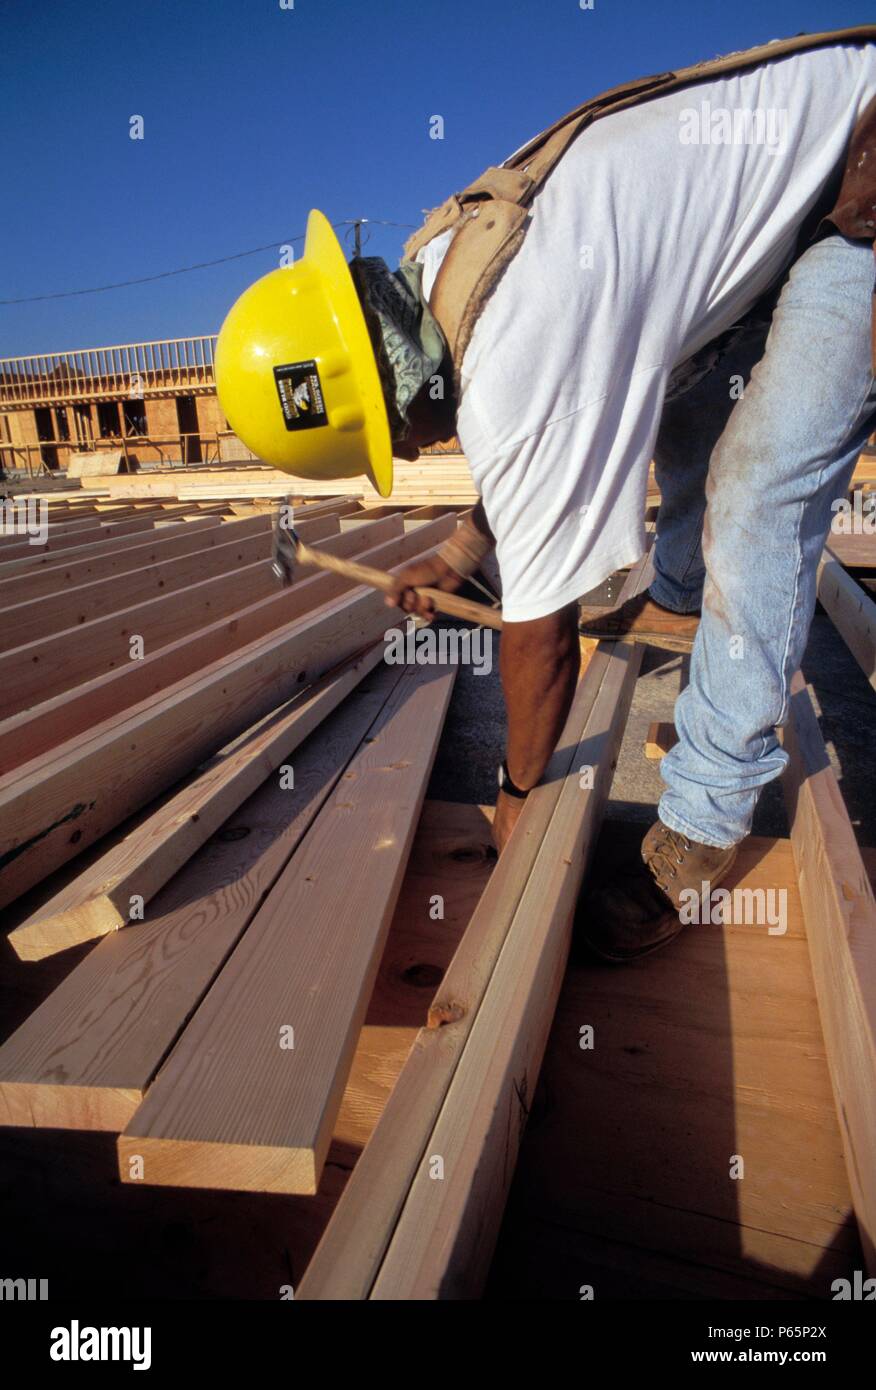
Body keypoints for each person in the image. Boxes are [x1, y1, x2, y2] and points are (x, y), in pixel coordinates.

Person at [216, 28, 876, 961]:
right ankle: (684, 600)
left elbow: (541, 641)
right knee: (686, 402)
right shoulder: (449, 257)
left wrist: (519, 796)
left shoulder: (516, 360)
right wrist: (457, 554)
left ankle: (701, 824)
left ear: (393, 401)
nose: (416, 448)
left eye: (392, 441)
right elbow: (548, 432)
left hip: (859, 186)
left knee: (757, 492)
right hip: (801, 191)